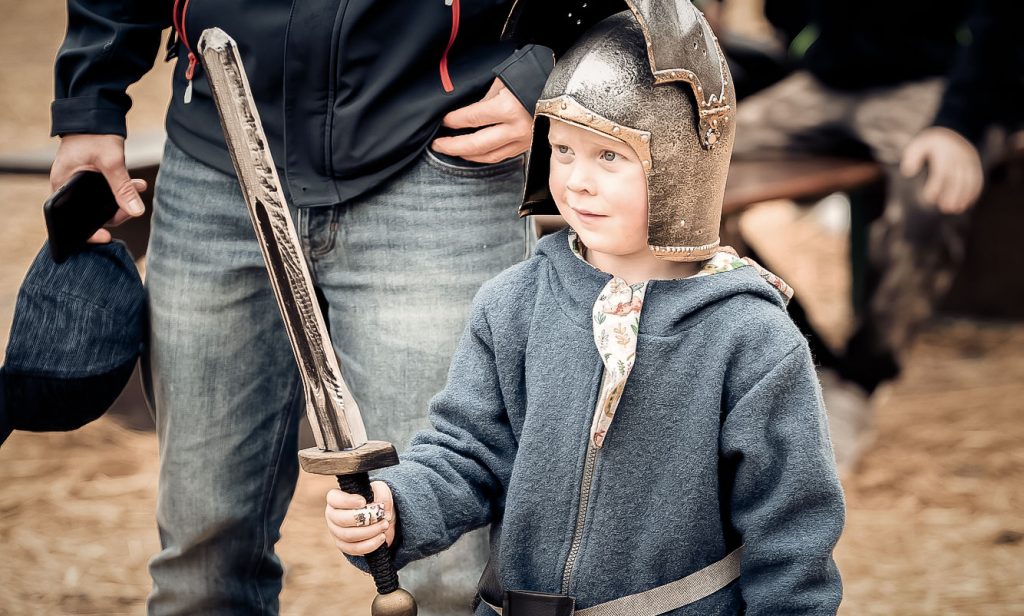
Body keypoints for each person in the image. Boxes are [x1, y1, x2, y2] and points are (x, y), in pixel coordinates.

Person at [326, 8, 845, 615]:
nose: (576, 181)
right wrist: (398, 507)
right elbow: (466, 451)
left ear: (680, 162)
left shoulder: (750, 337)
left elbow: (791, 532)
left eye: (609, 156)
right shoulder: (514, 304)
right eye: (563, 148)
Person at [49, 1, 559, 613]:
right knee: (201, 565)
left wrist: (550, 70)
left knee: (448, 574)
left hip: (444, 142)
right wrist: (89, 100)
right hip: (218, 147)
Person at [726, 0, 1023, 471]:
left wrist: (959, 125)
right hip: (822, 87)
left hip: (934, 86)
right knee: (686, 168)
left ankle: (860, 383)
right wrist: (814, 45)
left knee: (932, 192)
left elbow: (1001, 20)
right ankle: (810, 357)